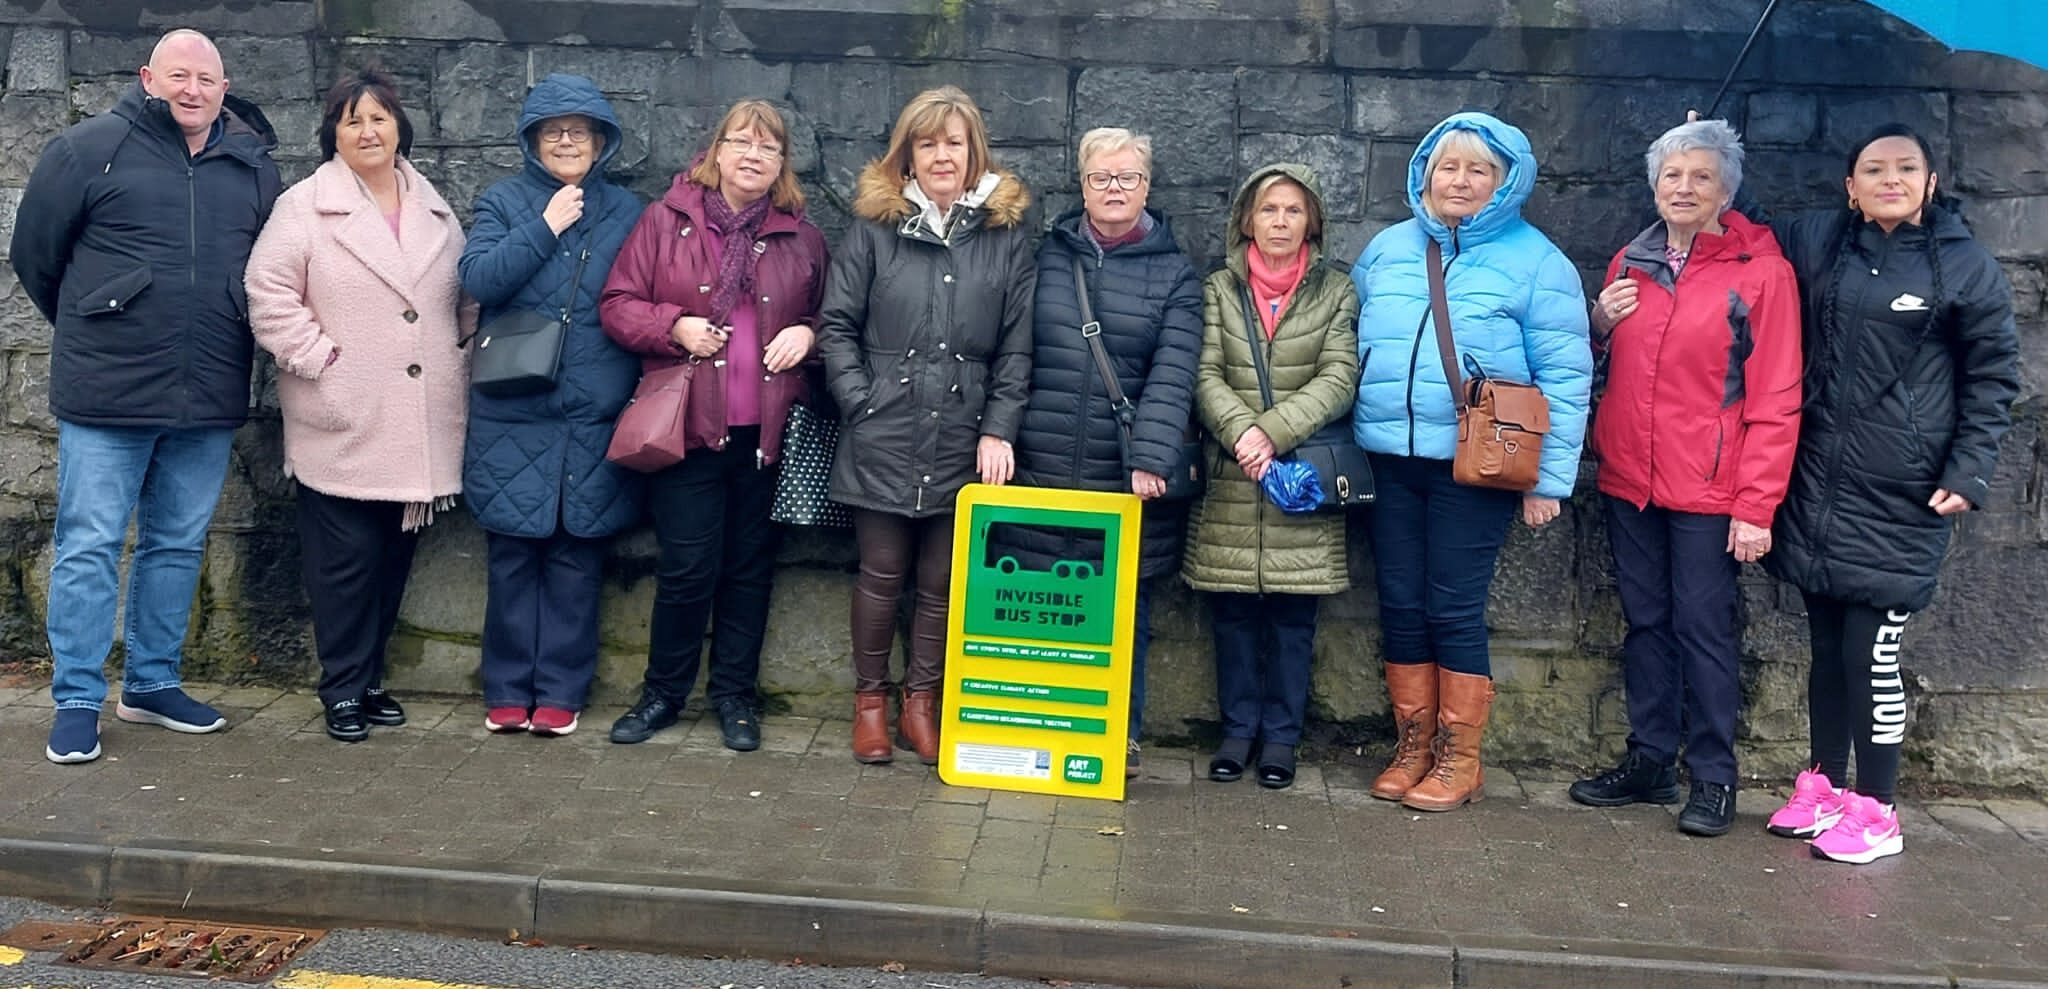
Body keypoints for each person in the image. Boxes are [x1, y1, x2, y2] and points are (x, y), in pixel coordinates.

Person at [10, 28, 282, 764]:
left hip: (209, 389)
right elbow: (35, 257)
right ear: (147, 78)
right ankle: (74, 697)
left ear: (224, 89)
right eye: (178, 75)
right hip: (107, 394)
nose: (192, 89)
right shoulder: (87, 149)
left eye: (207, 78)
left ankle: (152, 683)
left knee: (176, 542)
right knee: (89, 544)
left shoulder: (253, 165)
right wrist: (101, 320)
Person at [1756, 124, 2019, 864]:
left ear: (1931, 181)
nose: (1891, 178)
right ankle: (1824, 787)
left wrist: (1968, 472)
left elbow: (1995, 377)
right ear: (1851, 185)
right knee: (1827, 651)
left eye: (1907, 167)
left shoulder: (1967, 268)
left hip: (1905, 496)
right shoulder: (1819, 242)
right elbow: (1739, 218)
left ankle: (1878, 810)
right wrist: (1704, 143)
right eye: (1875, 168)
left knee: (1873, 655)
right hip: (1818, 487)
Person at [1566, 119, 1802, 838]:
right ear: (1654, 185)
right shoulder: (1628, 261)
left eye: (1701, 176)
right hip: (1630, 477)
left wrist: (1756, 505)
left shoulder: (1761, 273)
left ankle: (1714, 777)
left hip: (1709, 487)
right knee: (1646, 625)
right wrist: (1599, 323)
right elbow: (1597, 368)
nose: (1685, 187)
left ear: (1726, 188)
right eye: (1673, 175)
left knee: (1704, 629)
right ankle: (1650, 759)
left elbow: (1777, 395)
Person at [1350, 112, 1591, 811]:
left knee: (1453, 605)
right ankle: (1414, 744)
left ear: (1505, 181)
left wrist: (1550, 480)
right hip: (1391, 455)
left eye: (1477, 170)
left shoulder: (1539, 262)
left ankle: (1461, 756)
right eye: (1447, 167)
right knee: (1399, 601)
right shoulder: (1389, 250)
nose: (1460, 180)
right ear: (1425, 173)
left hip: (1478, 463)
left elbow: (1567, 376)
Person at [244, 68, 473, 743]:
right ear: (332, 135)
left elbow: (462, 296)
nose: (368, 131)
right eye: (352, 120)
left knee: (393, 561)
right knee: (342, 565)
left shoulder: (434, 205)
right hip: (342, 416)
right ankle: (341, 687)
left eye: (379, 117)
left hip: (421, 418)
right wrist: (322, 363)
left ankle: (370, 680)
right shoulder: (304, 207)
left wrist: (460, 353)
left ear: (399, 126)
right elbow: (268, 292)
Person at [598, 99, 830, 751]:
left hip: (766, 438)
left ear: (782, 164)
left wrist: (806, 336)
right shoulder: (666, 220)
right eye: (742, 142)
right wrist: (672, 325)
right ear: (716, 150)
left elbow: (832, 321)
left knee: (749, 570)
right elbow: (617, 304)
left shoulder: (801, 236)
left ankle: (734, 696)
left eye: (769, 147)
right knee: (687, 568)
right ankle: (663, 694)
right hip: (690, 431)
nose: (754, 156)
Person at [816, 85, 1034, 766]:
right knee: (881, 572)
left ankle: (921, 704)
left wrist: (998, 428)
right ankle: (871, 705)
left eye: (954, 142)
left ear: (975, 154)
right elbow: (836, 325)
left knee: (942, 580)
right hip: (883, 429)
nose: (942, 155)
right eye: (928, 142)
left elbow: (1017, 348)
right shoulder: (874, 230)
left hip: (962, 434)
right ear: (907, 154)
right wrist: (860, 399)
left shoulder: (1005, 238)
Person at [1000, 127, 1202, 778]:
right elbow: (1014, 350)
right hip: (1042, 465)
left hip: (1126, 476)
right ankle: (1039, 732)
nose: (1114, 189)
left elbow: (1175, 373)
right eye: (1100, 178)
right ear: (1081, 184)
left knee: (1121, 614)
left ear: (1147, 185)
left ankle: (1120, 733)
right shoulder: (1047, 256)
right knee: (1037, 605)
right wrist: (1001, 431)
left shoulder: (1176, 272)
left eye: (1127, 178)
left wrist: (1152, 457)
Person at [460, 74, 644, 738]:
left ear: (602, 140)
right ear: (533, 141)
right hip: (513, 411)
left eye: (579, 130)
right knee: (511, 557)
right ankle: (508, 688)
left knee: (576, 556)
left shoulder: (628, 211)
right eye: (552, 131)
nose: (567, 141)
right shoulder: (505, 201)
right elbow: (479, 279)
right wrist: (543, 227)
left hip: (593, 414)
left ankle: (562, 689)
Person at [1183, 162, 1359, 791]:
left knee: (1291, 623)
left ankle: (1281, 739)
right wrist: (1241, 435)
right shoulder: (1216, 291)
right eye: (1268, 210)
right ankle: (1236, 733)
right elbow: (1202, 374)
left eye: (1292, 210)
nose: (1280, 221)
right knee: (1230, 617)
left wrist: (1272, 433)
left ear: (1311, 219)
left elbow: (1339, 377)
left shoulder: (1335, 291)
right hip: (1233, 478)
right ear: (1246, 220)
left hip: (1298, 478)